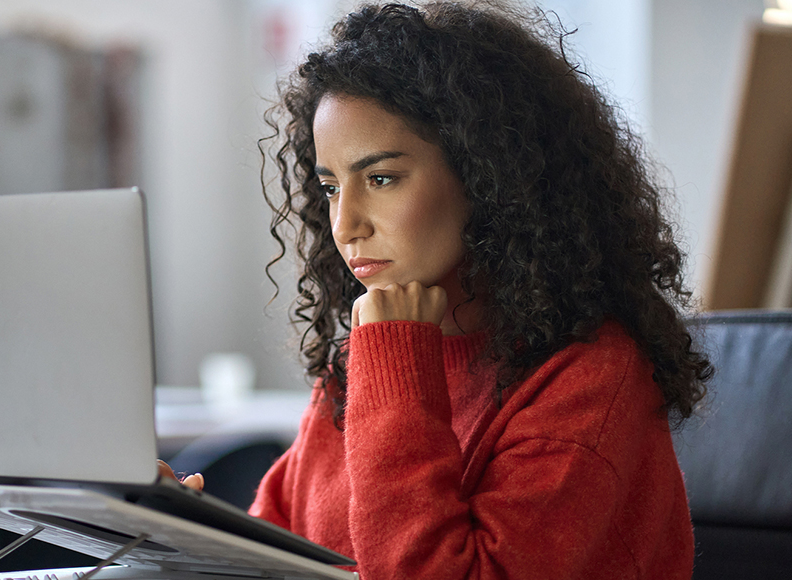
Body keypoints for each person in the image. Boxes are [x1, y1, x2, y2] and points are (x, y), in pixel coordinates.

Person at [240, 1, 713, 578]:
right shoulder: (364, 361)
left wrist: (394, 359)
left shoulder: (590, 378)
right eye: (332, 187)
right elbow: (272, 541)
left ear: (490, 177)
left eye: (381, 179)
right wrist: (167, 529)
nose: (346, 225)